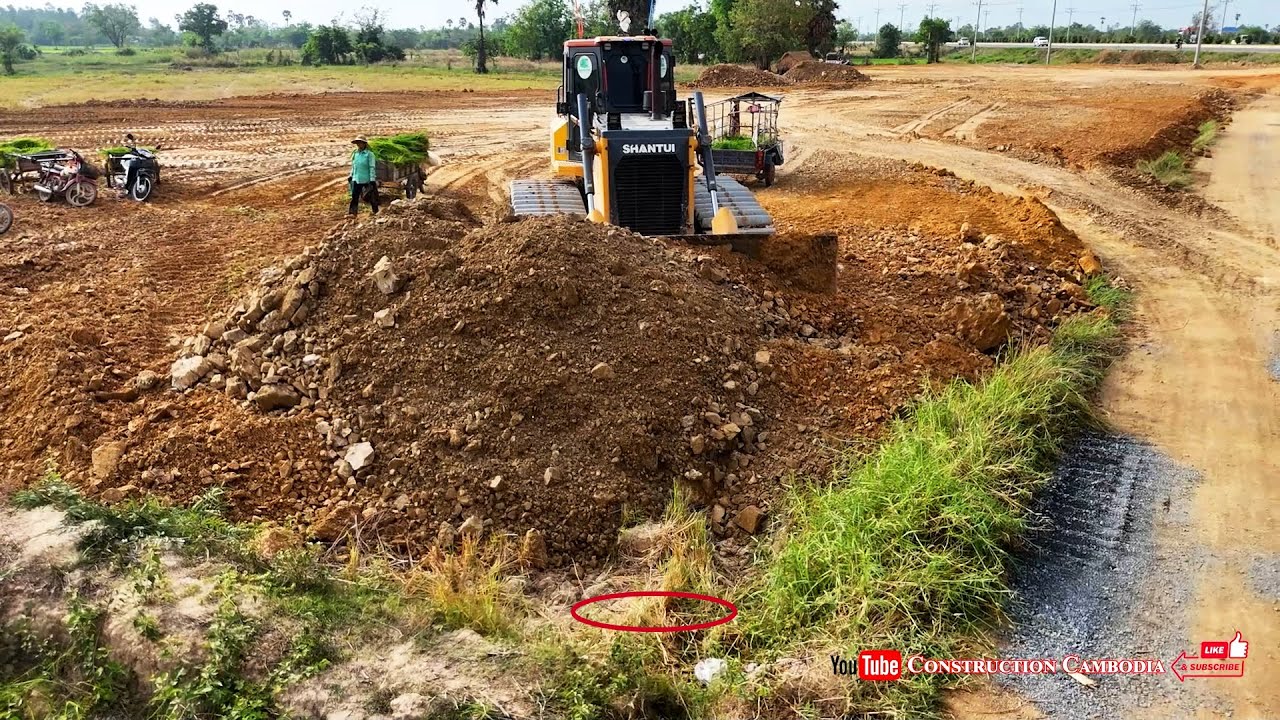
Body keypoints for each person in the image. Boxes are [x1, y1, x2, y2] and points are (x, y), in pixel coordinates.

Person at [348, 136, 379, 216]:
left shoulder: (369, 154)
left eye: (360, 142)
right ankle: (352, 213)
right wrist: (351, 175)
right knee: (354, 197)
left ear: (364, 144)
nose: (358, 144)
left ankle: (376, 212)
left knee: (372, 197)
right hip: (356, 178)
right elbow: (354, 166)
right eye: (357, 143)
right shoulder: (355, 153)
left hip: (367, 179)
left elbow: (372, 167)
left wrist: (372, 179)